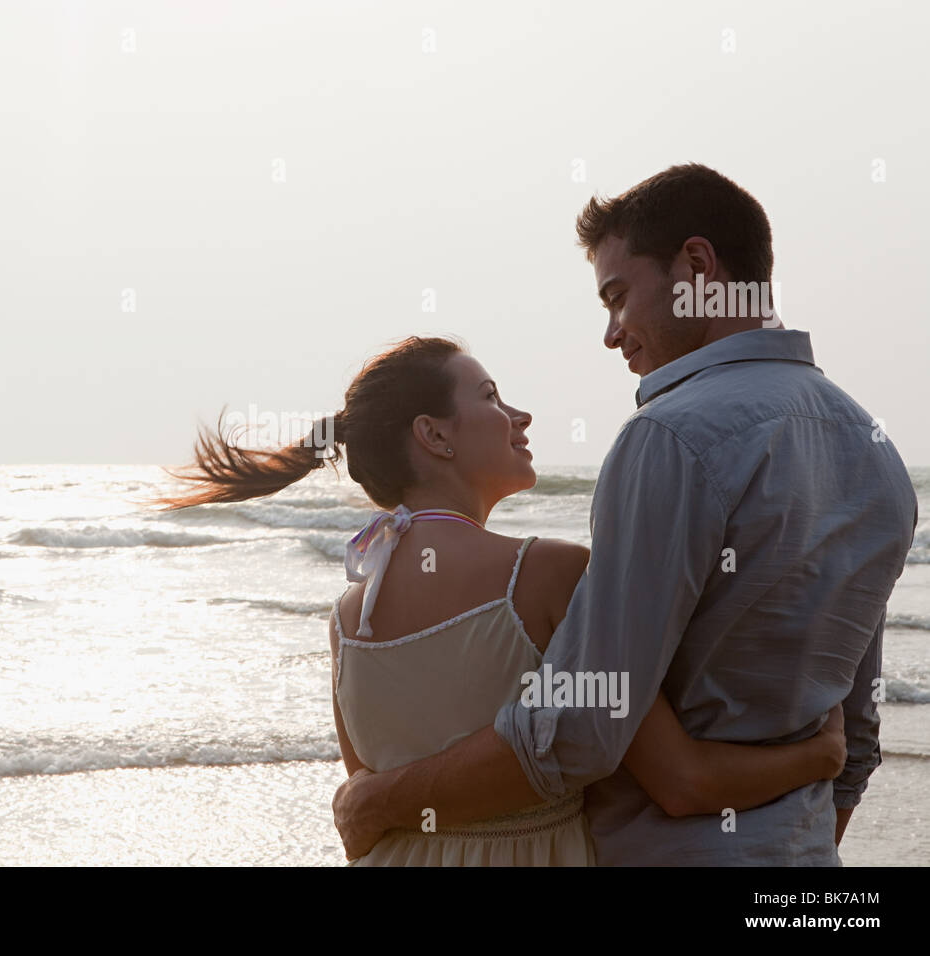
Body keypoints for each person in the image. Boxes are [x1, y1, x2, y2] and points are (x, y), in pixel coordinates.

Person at [330, 164, 919, 865]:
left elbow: (581, 726)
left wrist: (381, 800)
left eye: (618, 297)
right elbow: (853, 737)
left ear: (696, 265)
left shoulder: (669, 437)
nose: (613, 334)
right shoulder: (876, 455)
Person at [161, 333, 848, 865]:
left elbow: (366, 813)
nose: (519, 414)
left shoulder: (347, 619)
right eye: (490, 397)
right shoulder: (547, 576)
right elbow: (682, 781)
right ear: (432, 435)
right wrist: (819, 757)